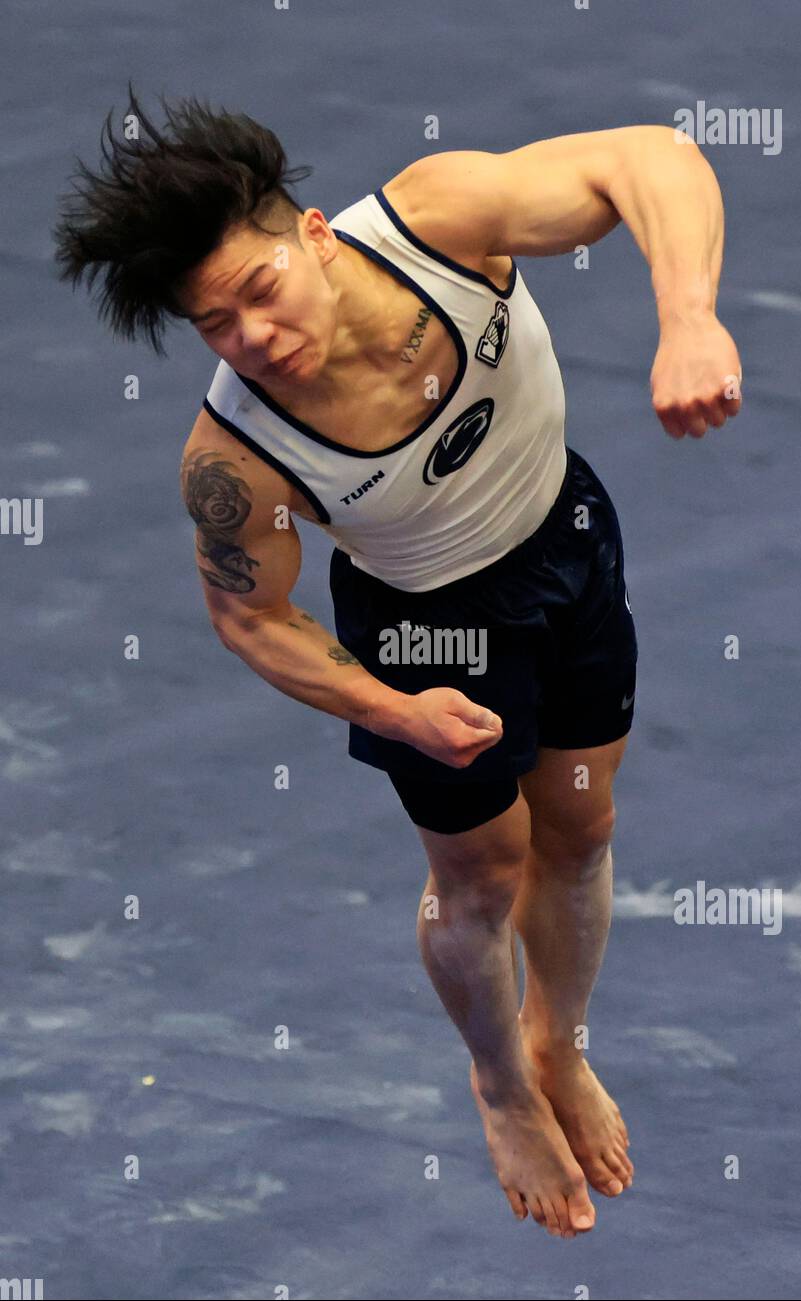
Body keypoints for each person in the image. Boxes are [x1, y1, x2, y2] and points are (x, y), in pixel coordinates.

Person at [55, 88, 742, 1239]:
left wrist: (688, 317)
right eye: (217, 326)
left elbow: (648, 159)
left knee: (579, 828)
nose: (255, 338)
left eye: (260, 291)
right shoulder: (236, 457)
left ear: (313, 234)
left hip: (565, 541)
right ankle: (497, 1078)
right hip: (424, 628)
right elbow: (252, 618)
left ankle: (555, 1043)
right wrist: (395, 710)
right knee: (483, 871)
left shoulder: (440, 221)